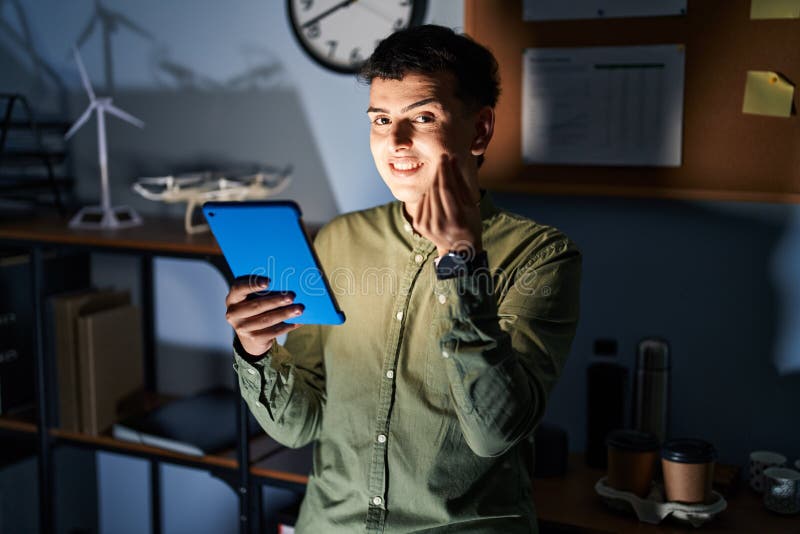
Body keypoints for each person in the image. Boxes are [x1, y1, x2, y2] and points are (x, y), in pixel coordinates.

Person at [224, 25, 581, 534]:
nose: (396, 141)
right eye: (381, 119)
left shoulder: (542, 256)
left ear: (479, 131)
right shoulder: (338, 239)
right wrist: (255, 351)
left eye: (423, 116)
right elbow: (299, 426)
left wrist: (461, 262)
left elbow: (494, 432)